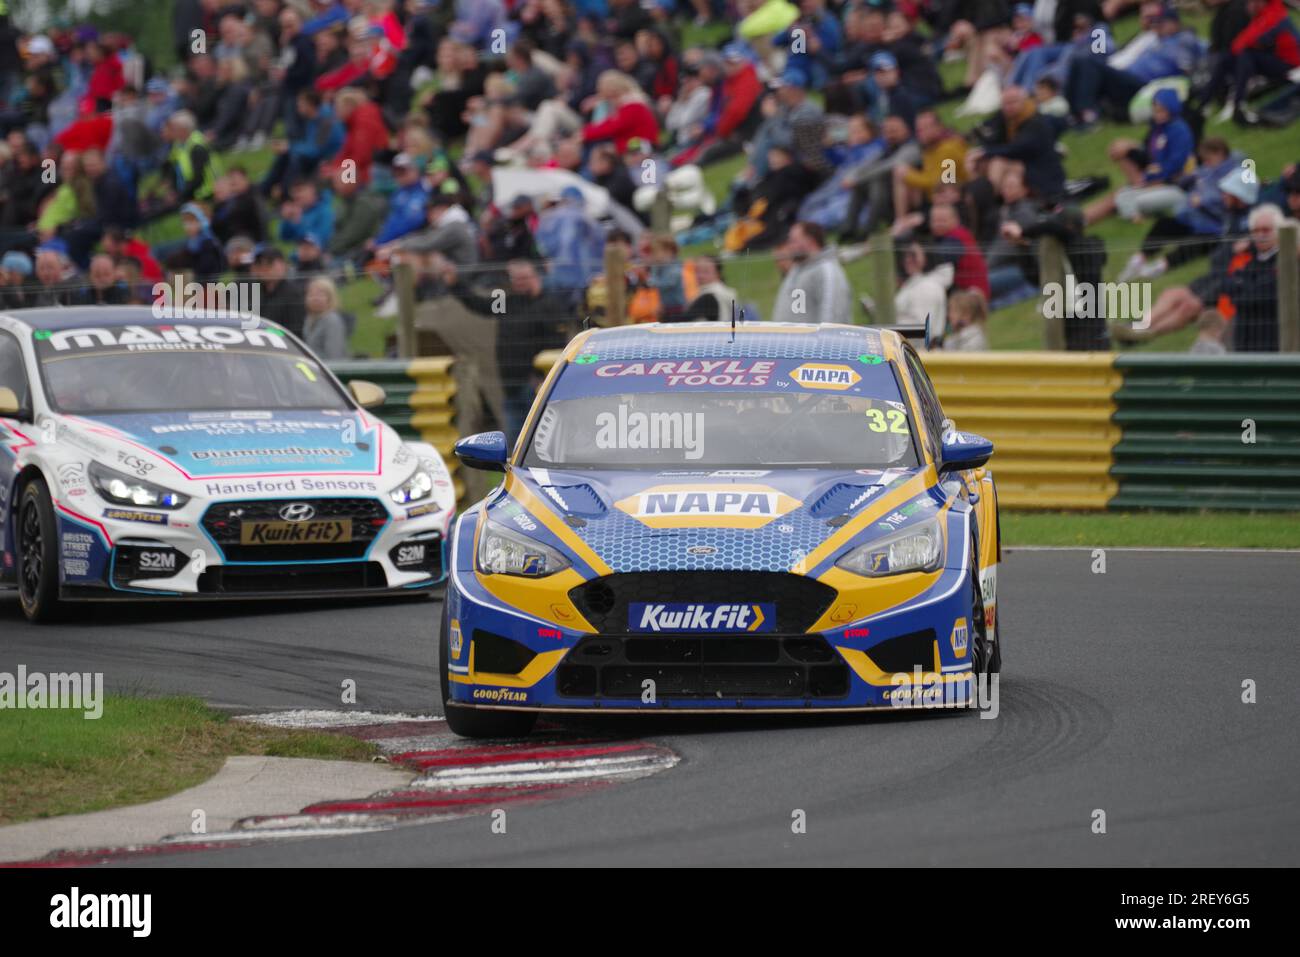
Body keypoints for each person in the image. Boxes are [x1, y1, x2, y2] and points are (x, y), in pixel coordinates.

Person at [442, 258, 570, 441]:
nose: (519, 283)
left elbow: (557, 345)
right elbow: (480, 305)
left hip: (536, 386)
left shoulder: (549, 305)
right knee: (514, 445)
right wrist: (455, 284)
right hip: (510, 385)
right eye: (515, 279)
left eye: (523, 278)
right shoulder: (508, 302)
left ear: (535, 277)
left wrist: (540, 377)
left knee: (541, 439)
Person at [771, 221, 852, 324]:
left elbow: (834, 316)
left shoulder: (827, 271)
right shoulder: (797, 269)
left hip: (814, 340)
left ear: (810, 241)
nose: (789, 246)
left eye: (793, 241)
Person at [302, 275, 350, 359]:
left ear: (330, 298)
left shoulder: (332, 321)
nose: (315, 298)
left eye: (320, 295)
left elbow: (334, 356)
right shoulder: (309, 319)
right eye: (311, 294)